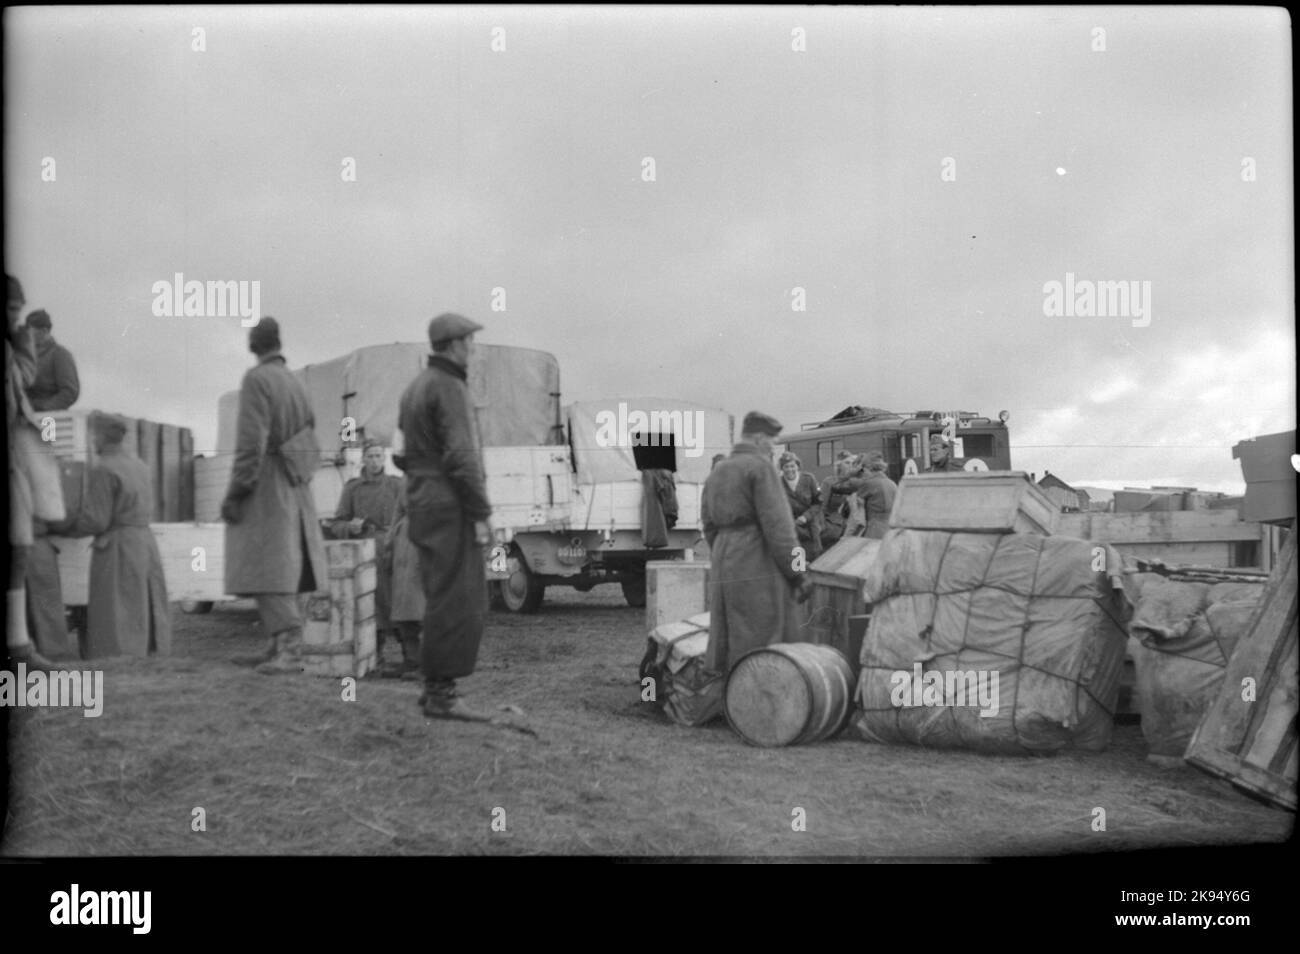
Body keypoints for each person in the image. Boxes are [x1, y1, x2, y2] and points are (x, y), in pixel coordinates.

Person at [396, 312, 495, 721]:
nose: (473, 349)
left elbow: (402, 454)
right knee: (458, 597)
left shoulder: (415, 387)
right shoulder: (451, 387)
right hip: (450, 503)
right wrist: (481, 511)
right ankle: (441, 694)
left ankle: (432, 686)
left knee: (439, 594)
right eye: (470, 341)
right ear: (454, 345)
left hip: (422, 500)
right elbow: (462, 457)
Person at [221, 317, 328, 675]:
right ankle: (276, 646)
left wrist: (237, 491)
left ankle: (290, 651)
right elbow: (312, 437)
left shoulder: (257, 379)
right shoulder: (295, 382)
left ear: (254, 344)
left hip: (268, 487)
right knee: (289, 567)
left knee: (268, 567)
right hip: (296, 484)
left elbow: (251, 444)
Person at [700, 411, 813, 676]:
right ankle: (762, 703)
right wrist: (798, 572)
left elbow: (708, 525)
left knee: (729, 630)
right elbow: (781, 528)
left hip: (723, 558)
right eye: (771, 441)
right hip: (756, 558)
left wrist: (724, 550)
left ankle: (732, 697)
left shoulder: (717, 472)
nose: (772, 447)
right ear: (759, 438)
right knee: (761, 630)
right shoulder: (760, 468)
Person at [62, 414, 172, 657]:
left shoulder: (104, 468)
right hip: (144, 541)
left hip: (118, 545)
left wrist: (63, 526)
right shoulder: (140, 466)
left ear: (100, 436)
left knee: (117, 603)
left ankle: (120, 653)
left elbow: (96, 520)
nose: (92, 440)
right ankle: (146, 649)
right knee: (140, 600)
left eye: (92, 435)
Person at [5, 274, 58, 672]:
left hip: (15, 456)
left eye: (19, 311)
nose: (15, 318)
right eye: (10, 310)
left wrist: (22, 346)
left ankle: (18, 643)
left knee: (19, 548)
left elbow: (23, 378)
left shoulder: (11, 346)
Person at [332, 439, 403, 669]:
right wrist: (349, 527)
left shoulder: (397, 485)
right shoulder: (352, 488)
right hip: (365, 554)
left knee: (399, 601)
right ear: (363, 459)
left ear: (385, 458)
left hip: (393, 550)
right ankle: (374, 654)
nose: (374, 461)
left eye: (378, 456)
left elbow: (411, 516)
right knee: (369, 605)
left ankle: (410, 656)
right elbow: (337, 523)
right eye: (370, 456)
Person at [381, 487, 425, 678]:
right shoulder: (408, 479)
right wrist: (390, 539)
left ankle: (429, 666)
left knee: (423, 610)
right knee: (404, 608)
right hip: (403, 543)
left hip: (426, 543)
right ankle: (411, 660)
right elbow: (398, 511)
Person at [22, 309, 80, 412]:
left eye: (30, 331)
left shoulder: (60, 355)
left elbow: (70, 392)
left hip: (50, 419)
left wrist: (44, 408)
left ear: (44, 331)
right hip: (25, 417)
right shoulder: (24, 356)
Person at [778, 451, 823, 561]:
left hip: (810, 522)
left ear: (797, 466)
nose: (790, 470)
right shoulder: (778, 483)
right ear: (782, 468)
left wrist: (806, 517)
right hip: (792, 524)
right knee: (796, 557)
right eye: (786, 467)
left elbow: (818, 503)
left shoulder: (808, 479)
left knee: (815, 553)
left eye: (792, 466)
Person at [822, 452, 870, 541]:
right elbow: (823, 506)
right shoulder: (829, 481)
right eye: (847, 463)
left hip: (851, 526)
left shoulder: (854, 482)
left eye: (852, 463)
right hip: (834, 526)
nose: (850, 465)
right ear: (839, 465)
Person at [859, 451, 899, 539]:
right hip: (891, 530)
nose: (862, 473)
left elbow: (855, 510)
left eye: (862, 469)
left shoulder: (869, 484)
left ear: (868, 467)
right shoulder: (892, 483)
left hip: (874, 530)